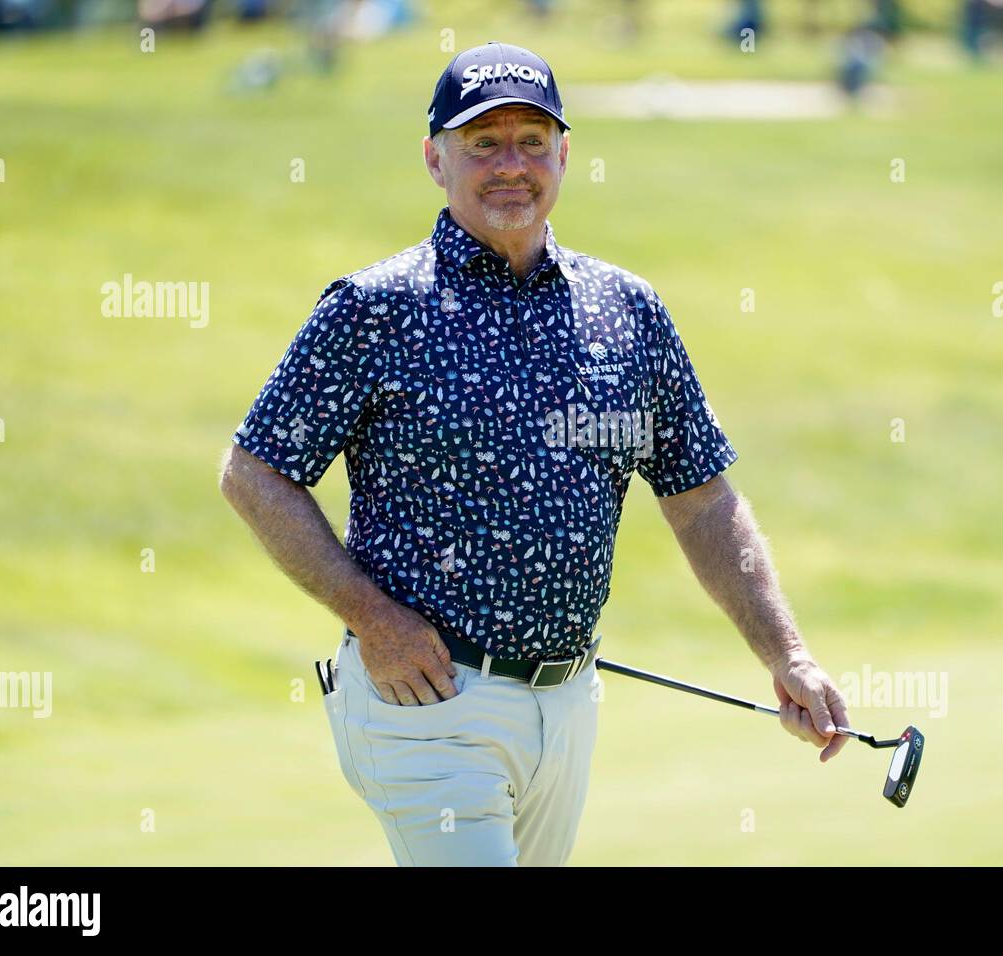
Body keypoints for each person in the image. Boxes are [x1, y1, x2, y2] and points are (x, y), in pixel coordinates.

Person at [218, 40, 851, 867]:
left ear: (564, 155)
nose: (509, 164)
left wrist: (788, 656)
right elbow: (255, 472)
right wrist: (373, 619)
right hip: (427, 705)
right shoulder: (376, 308)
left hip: (569, 706)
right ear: (434, 159)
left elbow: (700, 499)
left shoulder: (626, 309)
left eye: (531, 140)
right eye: (483, 143)